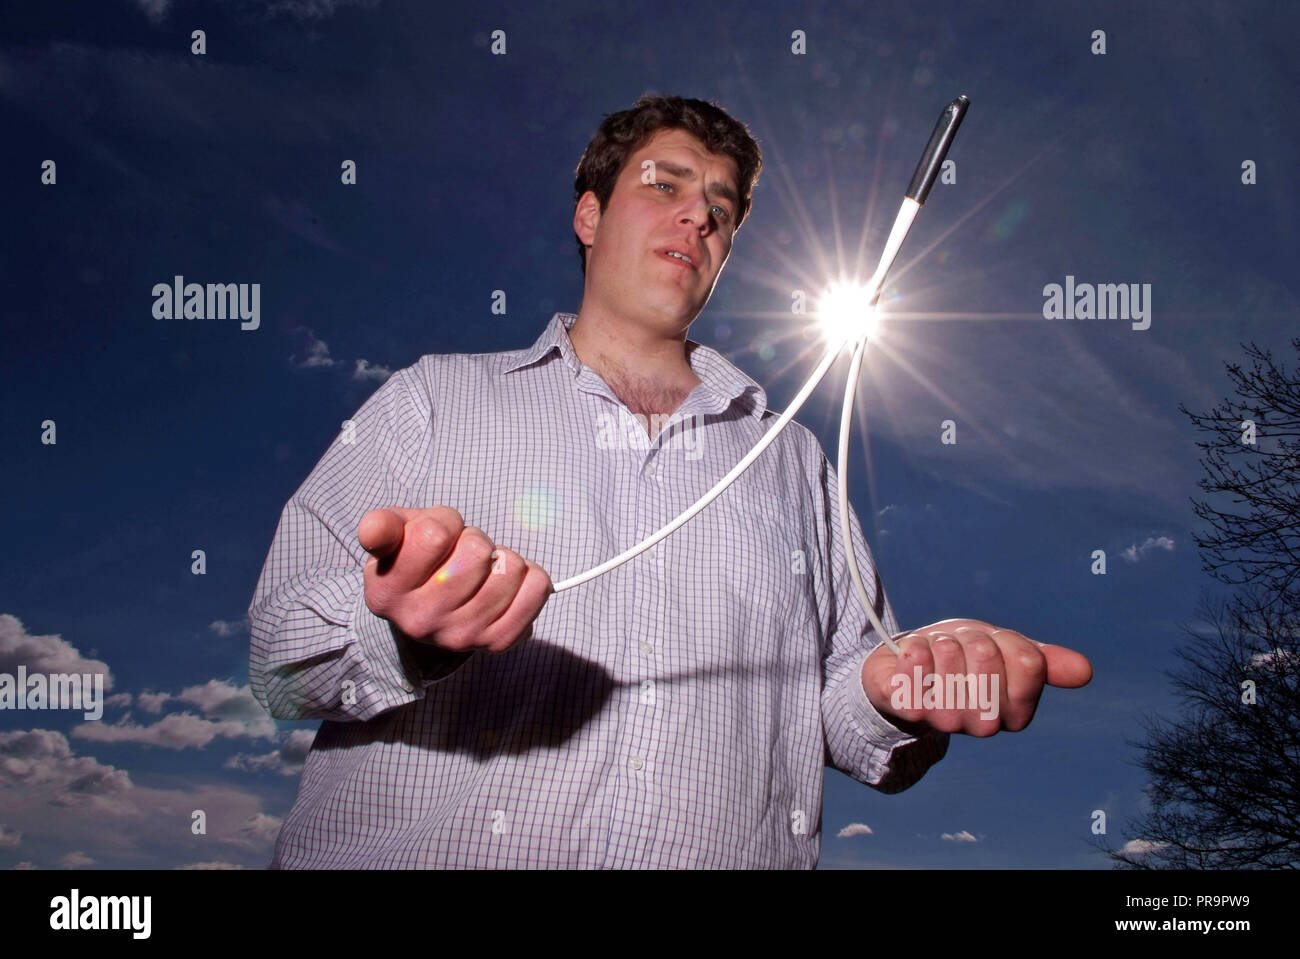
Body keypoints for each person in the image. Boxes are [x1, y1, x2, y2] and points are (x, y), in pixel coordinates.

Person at [248, 94, 1092, 869]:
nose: (700, 214)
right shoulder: (434, 397)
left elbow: (846, 705)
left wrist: (894, 690)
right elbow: (275, 661)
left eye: (722, 209)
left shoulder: (794, 459)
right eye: (666, 183)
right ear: (590, 214)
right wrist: (397, 631)